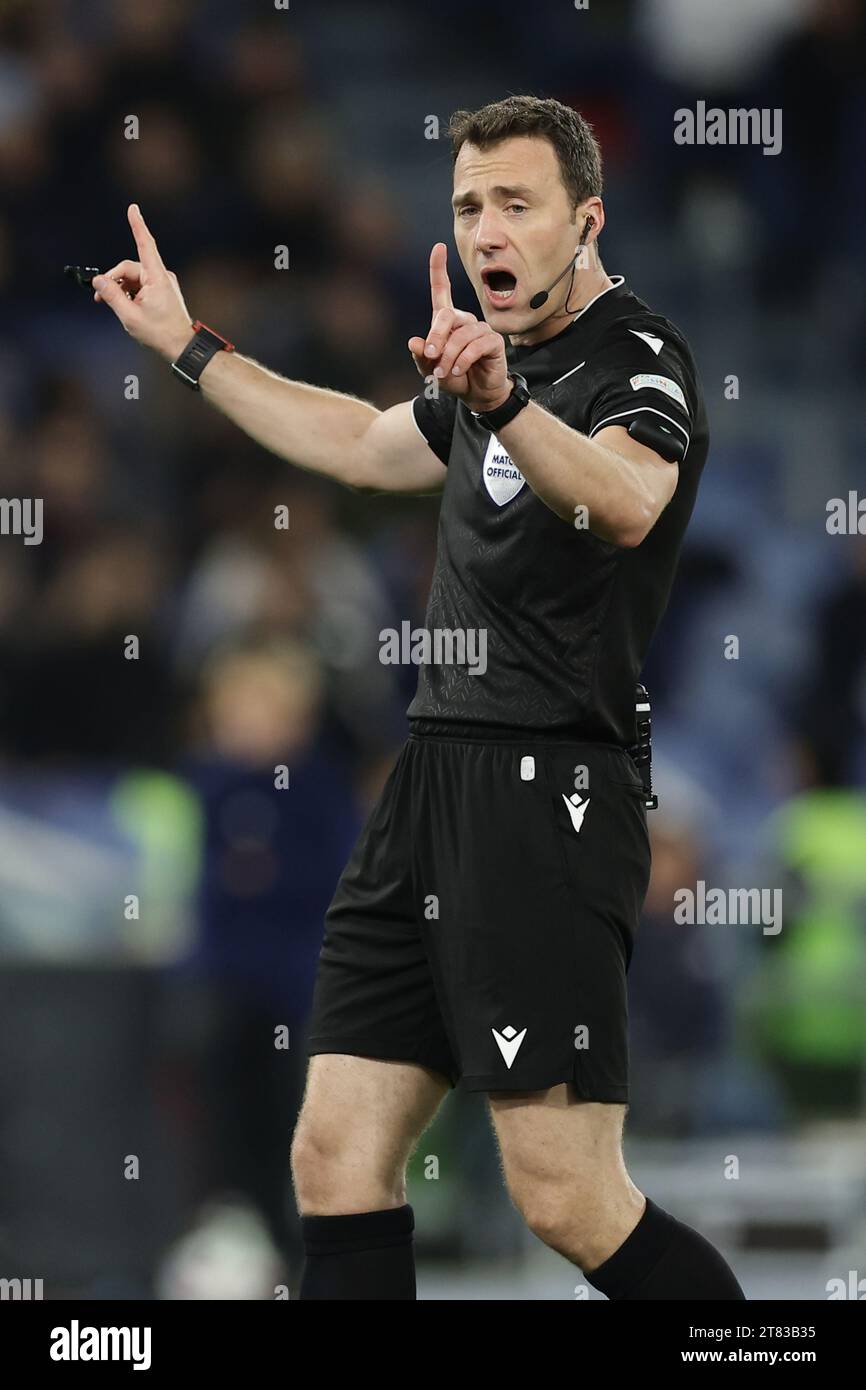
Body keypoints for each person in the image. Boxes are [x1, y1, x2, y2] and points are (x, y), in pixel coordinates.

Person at [93, 93, 744, 1300]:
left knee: (564, 1196)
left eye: (515, 204)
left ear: (584, 220)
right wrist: (189, 345)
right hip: (429, 781)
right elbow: (353, 442)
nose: (486, 229)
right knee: (335, 1154)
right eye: (466, 206)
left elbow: (626, 498)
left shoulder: (635, 356)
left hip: (549, 789)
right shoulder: (488, 363)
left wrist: (502, 401)